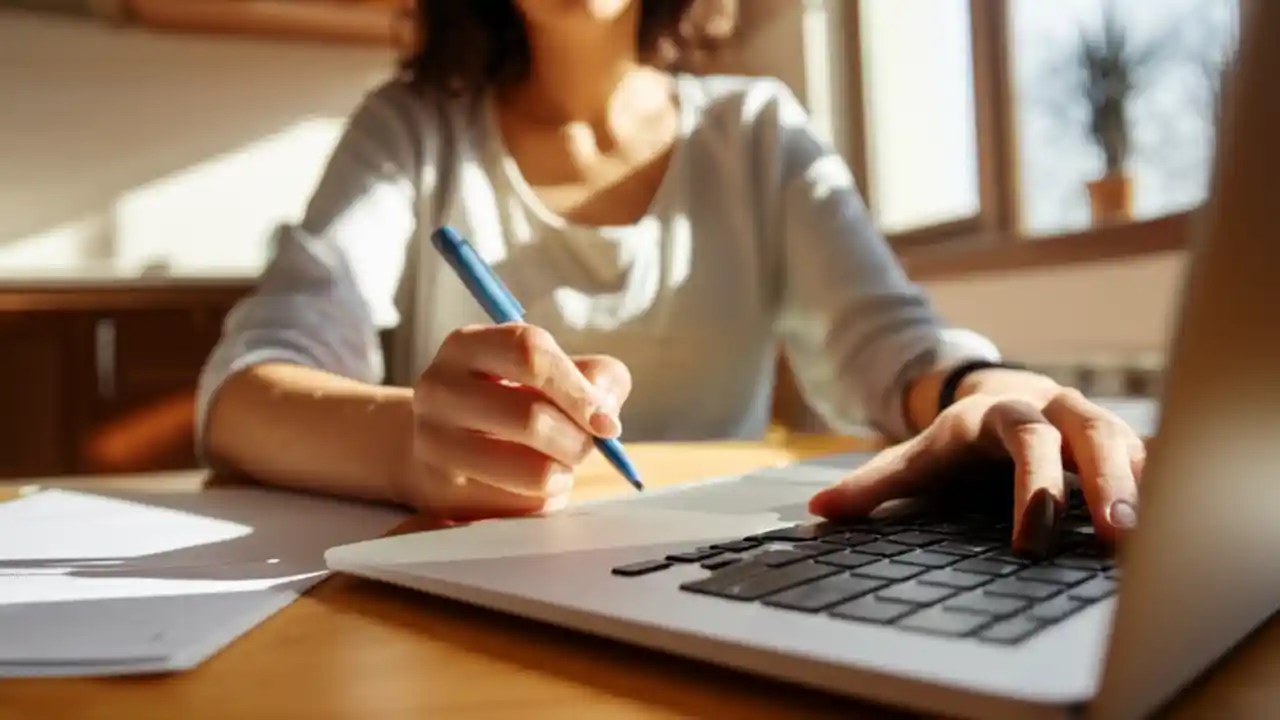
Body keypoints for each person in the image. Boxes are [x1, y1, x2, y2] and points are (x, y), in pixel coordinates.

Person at [198, 0, 1144, 555]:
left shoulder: (756, 131)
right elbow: (245, 392)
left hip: (707, 568)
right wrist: (409, 444)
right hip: (475, 583)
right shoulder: (411, 130)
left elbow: (896, 347)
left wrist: (989, 394)